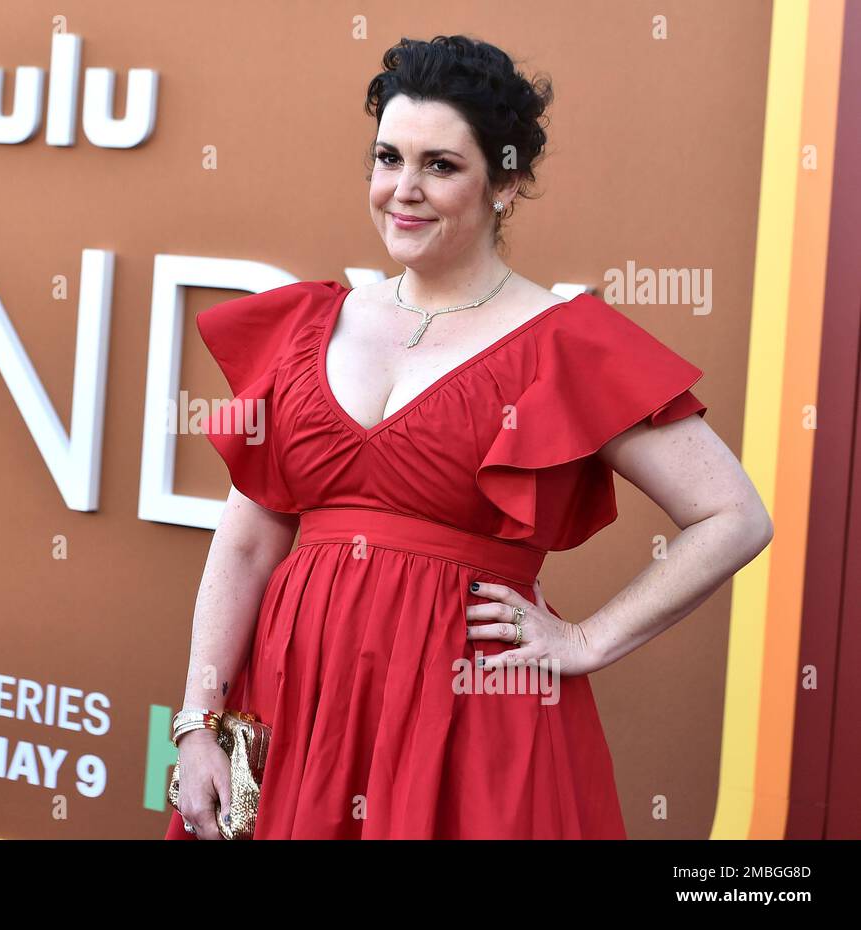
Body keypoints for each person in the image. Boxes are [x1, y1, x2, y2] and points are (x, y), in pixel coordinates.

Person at [165, 35, 772, 840]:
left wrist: (587, 639)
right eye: (388, 158)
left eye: (441, 166)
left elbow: (734, 515)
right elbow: (246, 544)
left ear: (508, 182)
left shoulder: (566, 344)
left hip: (469, 719)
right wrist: (197, 722)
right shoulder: (308, 324)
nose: (402, 191)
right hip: (298, 704)